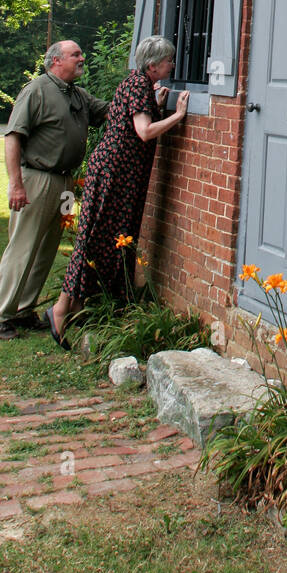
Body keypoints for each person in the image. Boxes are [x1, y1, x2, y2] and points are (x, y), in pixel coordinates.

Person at [47, 35, 189, 347]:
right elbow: (143, 131)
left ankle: (78, 304)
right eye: (168, 60)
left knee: (107, 239)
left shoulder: (139, 85)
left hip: (121, 174)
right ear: (153, 65)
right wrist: (176, 116)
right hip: (113, 173)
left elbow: (132, 118)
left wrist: (157, 104)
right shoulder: (138, 84)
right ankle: (60, 308)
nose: (173, 64)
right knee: (94, 237)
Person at [0, 41, 110, 340]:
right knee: (23, 246)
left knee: (47, 248)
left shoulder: (77, 95)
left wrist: (147, 96)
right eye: (76, 55)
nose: (83, 58)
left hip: (66, 183)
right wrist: (16, 183)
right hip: (37, 179)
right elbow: (13, 137)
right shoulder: (36, 90)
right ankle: (1, 314)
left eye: (81, 54)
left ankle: (24, 310)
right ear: (56, 61)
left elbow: (110, 112)